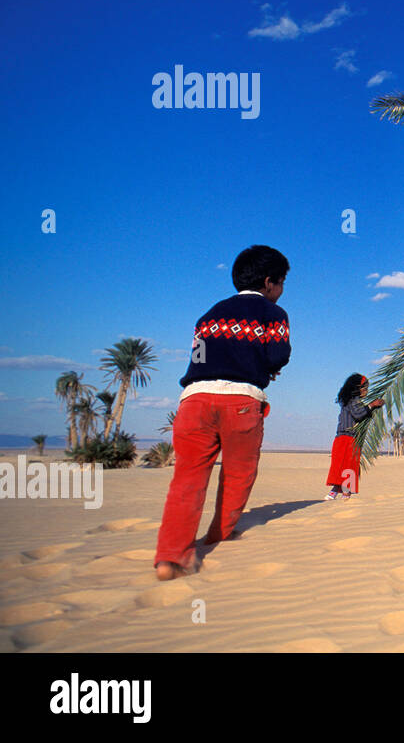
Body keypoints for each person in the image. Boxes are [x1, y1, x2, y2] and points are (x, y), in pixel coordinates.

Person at [154, 245, 291, 579]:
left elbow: (201, 357)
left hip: (194, 400)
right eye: (283, 281)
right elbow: (278, 355)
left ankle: (170, 556)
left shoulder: (208, 315)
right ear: (270, 282)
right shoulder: (274, 313)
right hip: (240, 401)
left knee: (187, 477)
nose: (282, 289)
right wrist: (262, 366)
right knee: (238, 472)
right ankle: (220, 533)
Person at [326, 374, 383, 499]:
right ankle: (343, 493)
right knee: (347, 465)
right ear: (357, 388)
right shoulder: (353, 401)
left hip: (343, 437)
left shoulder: (348, 401)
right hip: (347, 438)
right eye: (365, 388)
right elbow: (358, 414)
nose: (366, 391)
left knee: (342, 464)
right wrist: (372, 405)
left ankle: (336, 491)